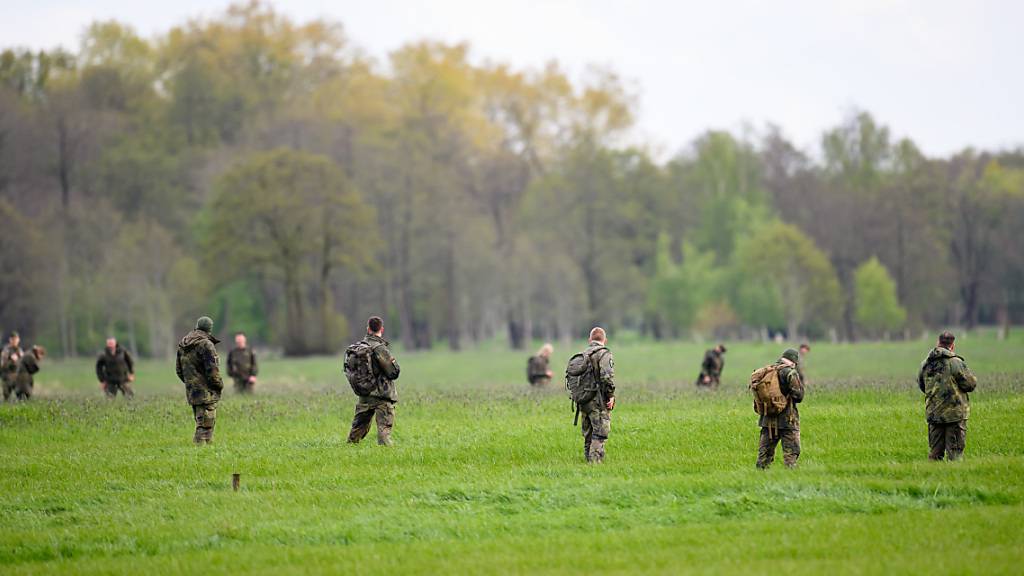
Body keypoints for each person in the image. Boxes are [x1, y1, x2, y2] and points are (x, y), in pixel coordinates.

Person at [917, 331, 977, 461]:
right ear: (952, 345)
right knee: (955, 455)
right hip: (954, 415)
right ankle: (955, 478)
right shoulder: (956, 363)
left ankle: (931, 478)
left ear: (938, 343)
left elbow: (923, 386)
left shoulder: (925, 364)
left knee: (935, 454)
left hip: (934, 414)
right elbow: (970, 385)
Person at [346, 316, 401, 446]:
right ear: (381, 329)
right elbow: (393, 372)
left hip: (364, 395)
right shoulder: (379, 348)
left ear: (368, 328)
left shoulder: (358, 348)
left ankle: (347, 454)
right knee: (384, 432)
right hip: (381, 396)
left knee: (356, 433)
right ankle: (387, 457)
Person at [176, 316, 224, 445]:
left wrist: (191, 383)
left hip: (192, 390)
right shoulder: (206, 344)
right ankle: (199, 447)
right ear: (209, 329)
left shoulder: (183, 343)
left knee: (201, 420)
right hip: (207, 390)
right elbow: (212, 370)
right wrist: (218, 385)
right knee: (205, 423)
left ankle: (207, 448)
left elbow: (179, 370)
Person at [754, 348, 804, 469]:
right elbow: (799, 396)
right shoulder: (790, 372)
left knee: (763, 457)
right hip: (788, 420)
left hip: (767, 420)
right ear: (793, 361)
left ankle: (760, 479)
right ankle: (792, 479)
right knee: (791, 456)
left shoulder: (767, 371)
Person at [577, 327, 615, 463]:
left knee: (588, 433)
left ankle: (587, 461)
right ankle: (594, 464)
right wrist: (610, 395)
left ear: (589, 339)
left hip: (583, 400)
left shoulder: (582, 354)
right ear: (605, 340)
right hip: (597, 400)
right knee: (599, 432)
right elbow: (606, 377)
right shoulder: (604, 354)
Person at [1, 331, 24, 401]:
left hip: (18, 375)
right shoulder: (6, 350)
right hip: (7, 375)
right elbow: (2, 365)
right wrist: (10, 359)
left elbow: (23, 362)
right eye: (13, 339)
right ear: (10, 340)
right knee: (6, 395)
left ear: (18, 340)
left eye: (16, 339)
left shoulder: (20, 350)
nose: (14, 341)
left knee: (22, 395)